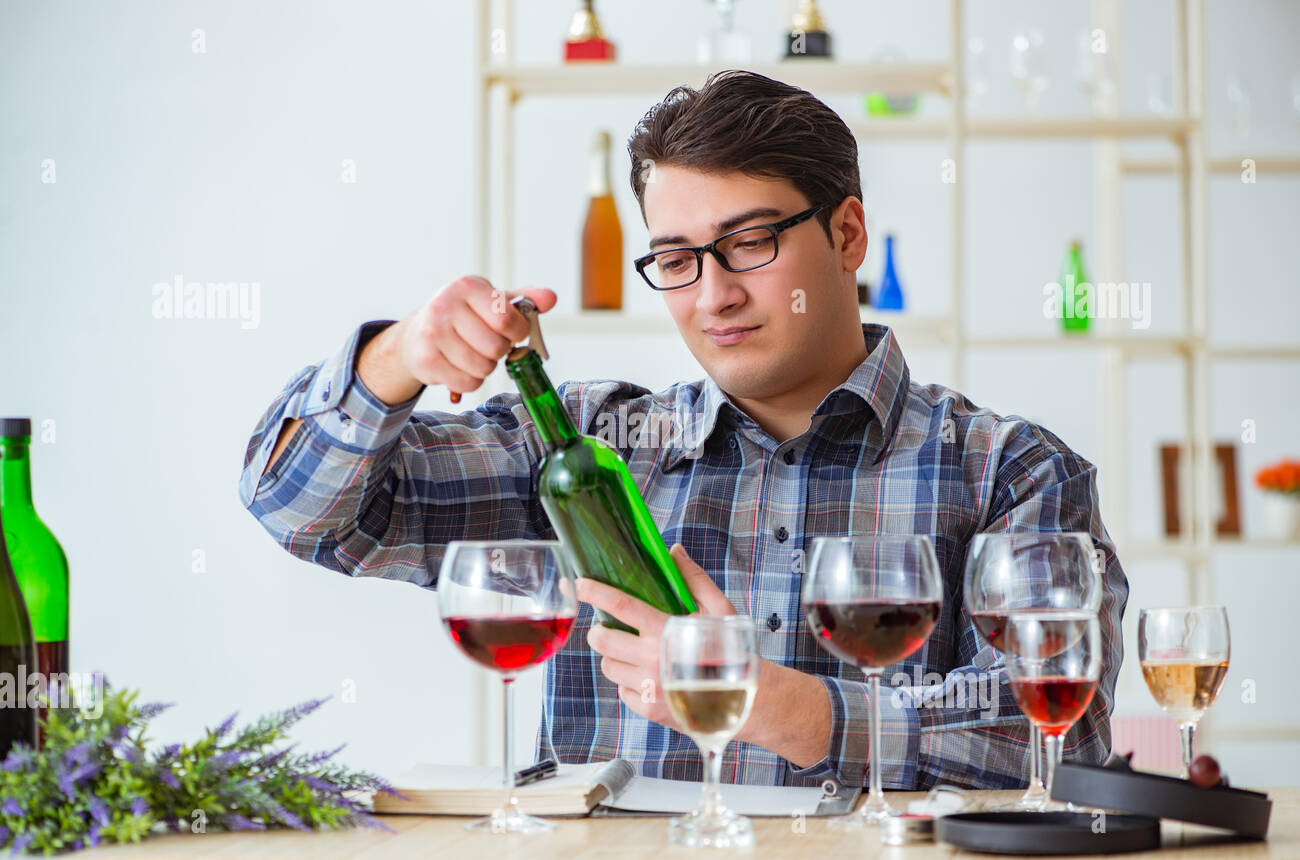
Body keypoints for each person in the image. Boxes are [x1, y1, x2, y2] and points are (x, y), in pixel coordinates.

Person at [239, 69, 1127, 792]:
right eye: (676, 259)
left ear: (848, 234)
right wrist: (396, 358)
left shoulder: (1010, 471)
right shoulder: (587, 449)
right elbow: (304, 510)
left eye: (749, 242)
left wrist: (775, 704)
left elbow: (1056, 731)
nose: (713, 295)